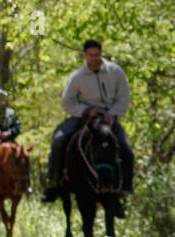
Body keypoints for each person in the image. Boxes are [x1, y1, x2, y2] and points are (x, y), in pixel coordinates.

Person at [41, 40, 134, 215]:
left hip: (109, 118)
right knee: (59, 140)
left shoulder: (116, 72)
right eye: (90, 55)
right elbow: (66, 102)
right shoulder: (77, 77)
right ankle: (54, 183)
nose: (94, 58)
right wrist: (84, 110)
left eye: (97, 54)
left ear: (101, 53)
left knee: (126, 150)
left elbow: (124, 97)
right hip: (84, 118)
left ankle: (123, 190)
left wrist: (112, 114)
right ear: (85, 55)